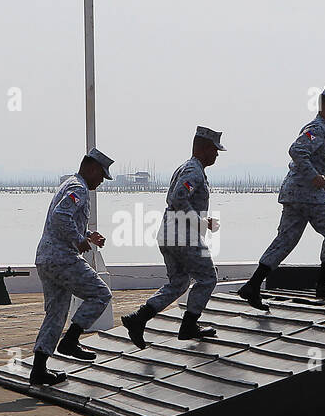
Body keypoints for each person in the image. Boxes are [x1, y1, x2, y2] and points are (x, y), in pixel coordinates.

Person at [237, 86, 325, 310]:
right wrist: (314, 177)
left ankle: (252, 286)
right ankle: (324, 283)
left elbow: (321, 162)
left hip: (296, 194)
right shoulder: (316, 129)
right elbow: (296, 150)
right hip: (306, 193)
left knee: (285, 241)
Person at [121, 127, 224, 346]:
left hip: (168, 235)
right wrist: (200, 222)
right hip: (182, 236)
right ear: (204, 148)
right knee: (208, 277)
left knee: (178, 283)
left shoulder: (185, 168)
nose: (216, 155)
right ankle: (188, 326)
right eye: (215, 150)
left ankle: (138, 319)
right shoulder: (193, 171)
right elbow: (179, 198)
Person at [30, 148, 115, 386]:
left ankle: (38, 370)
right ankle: (71, 340)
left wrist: (87, 235)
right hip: (61, 258)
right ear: (91, 168)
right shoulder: (78, 188)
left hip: (47, 258)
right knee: (100, 294)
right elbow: (60, 217)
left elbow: (68, 218)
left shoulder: (69, 184)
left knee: (56, 314)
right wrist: (78, 240)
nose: (101, 181)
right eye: (101, 175)